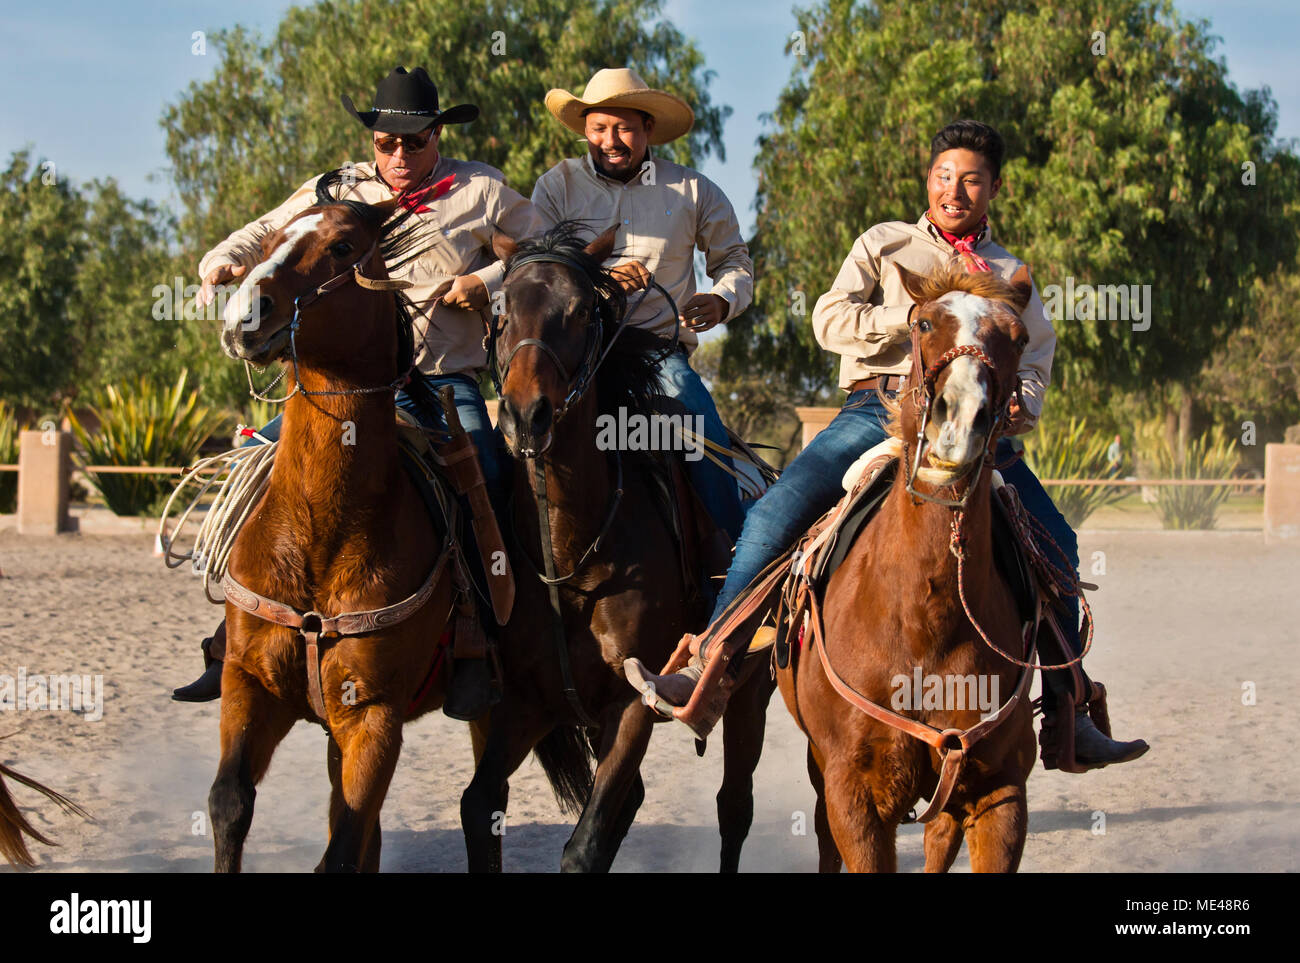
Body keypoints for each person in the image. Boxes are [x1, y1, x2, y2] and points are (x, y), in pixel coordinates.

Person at [626, 120, 1148, 771]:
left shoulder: (1011, 271)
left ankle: (1067, 712)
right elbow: (827, 317)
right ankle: (712, 664)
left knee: (1058, 544)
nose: (954, 189)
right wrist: (914, 322)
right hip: (880, 408)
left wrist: (1023, 402)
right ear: (928, 180)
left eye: (971, 179)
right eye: (944, 175)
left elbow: (1035, 358)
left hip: (975, 427)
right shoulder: (885, 243)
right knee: (772, 513)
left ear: (994, 188)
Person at [173, 66, 542, 719]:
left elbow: (542, 252)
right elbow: (267, 231)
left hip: (437, 379)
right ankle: (229, 639)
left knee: (486, 477)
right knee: (259, 468)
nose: (399, 156)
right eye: (386, 143)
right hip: (343, 384)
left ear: (438, 135)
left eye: (415, 142)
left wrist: (485, 279)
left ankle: (478, 646)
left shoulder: (481, 190)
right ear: (373, 139)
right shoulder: (335, 189)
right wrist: (224, 257)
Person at [530, 67, 753, 545]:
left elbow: (735, 260)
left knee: (695, 418)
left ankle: (740, 553)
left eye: (623, 128)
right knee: (517, 423)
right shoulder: (556, 187)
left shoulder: (693, 190)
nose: (610, 140)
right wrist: (600, 280)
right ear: (584, 129)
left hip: (655, 350)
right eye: (598, 128)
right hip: (572, 350)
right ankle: (507, 562)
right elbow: (539, 272)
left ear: (648, 128)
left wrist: (721, 299)